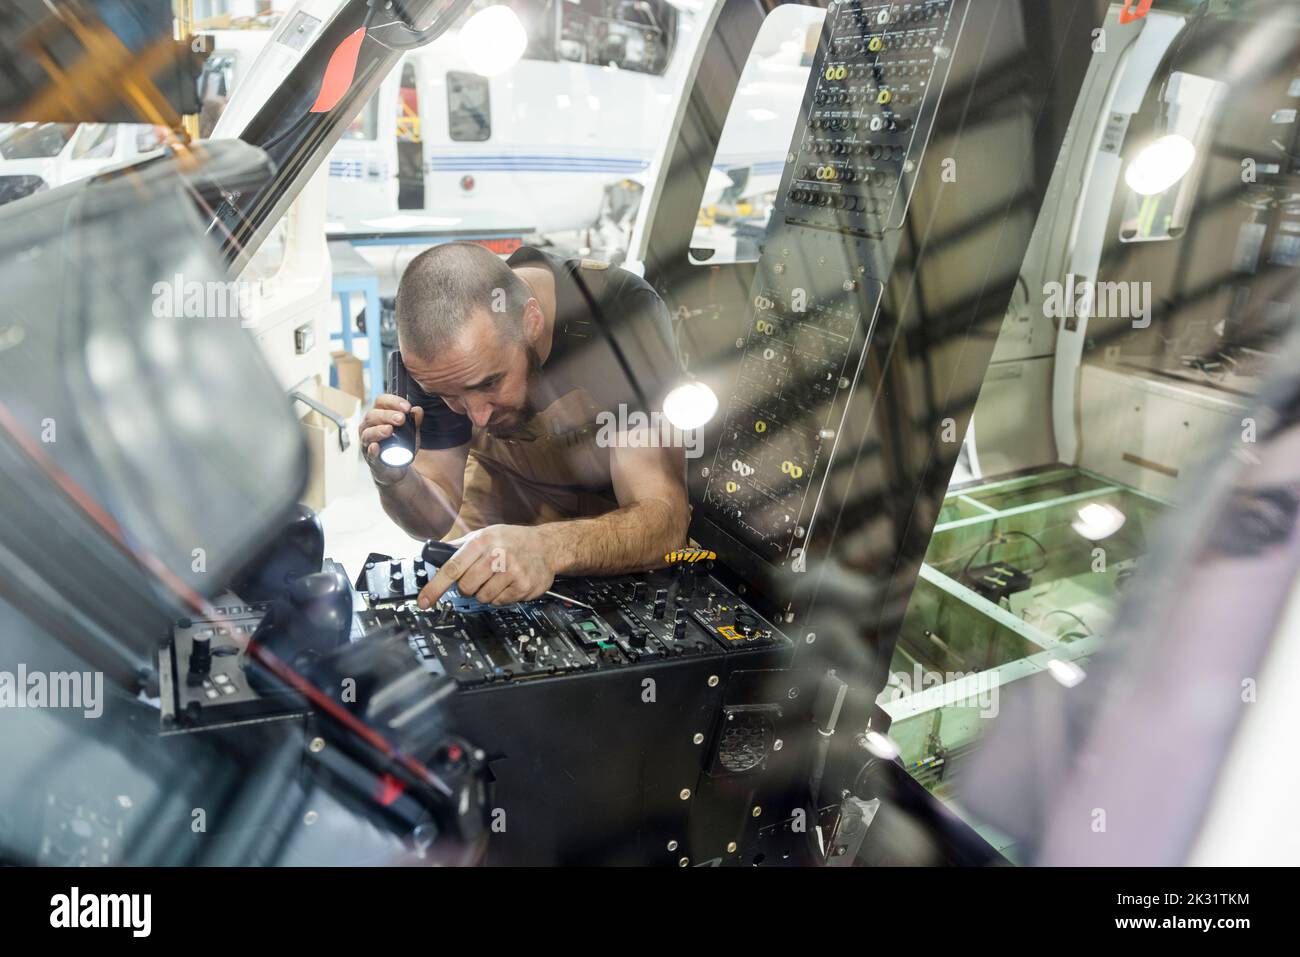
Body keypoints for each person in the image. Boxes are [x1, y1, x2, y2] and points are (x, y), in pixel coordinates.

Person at [358, 242, 691, 607]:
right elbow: (433, 519)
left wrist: (546, 546)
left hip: (610, 526)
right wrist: (395, 480)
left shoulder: (618, 317)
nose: (477, 417)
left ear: (531, 322)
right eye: (446, 396)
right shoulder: (442, 362)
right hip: (501, 511)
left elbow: (665, 522)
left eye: (489, 383)